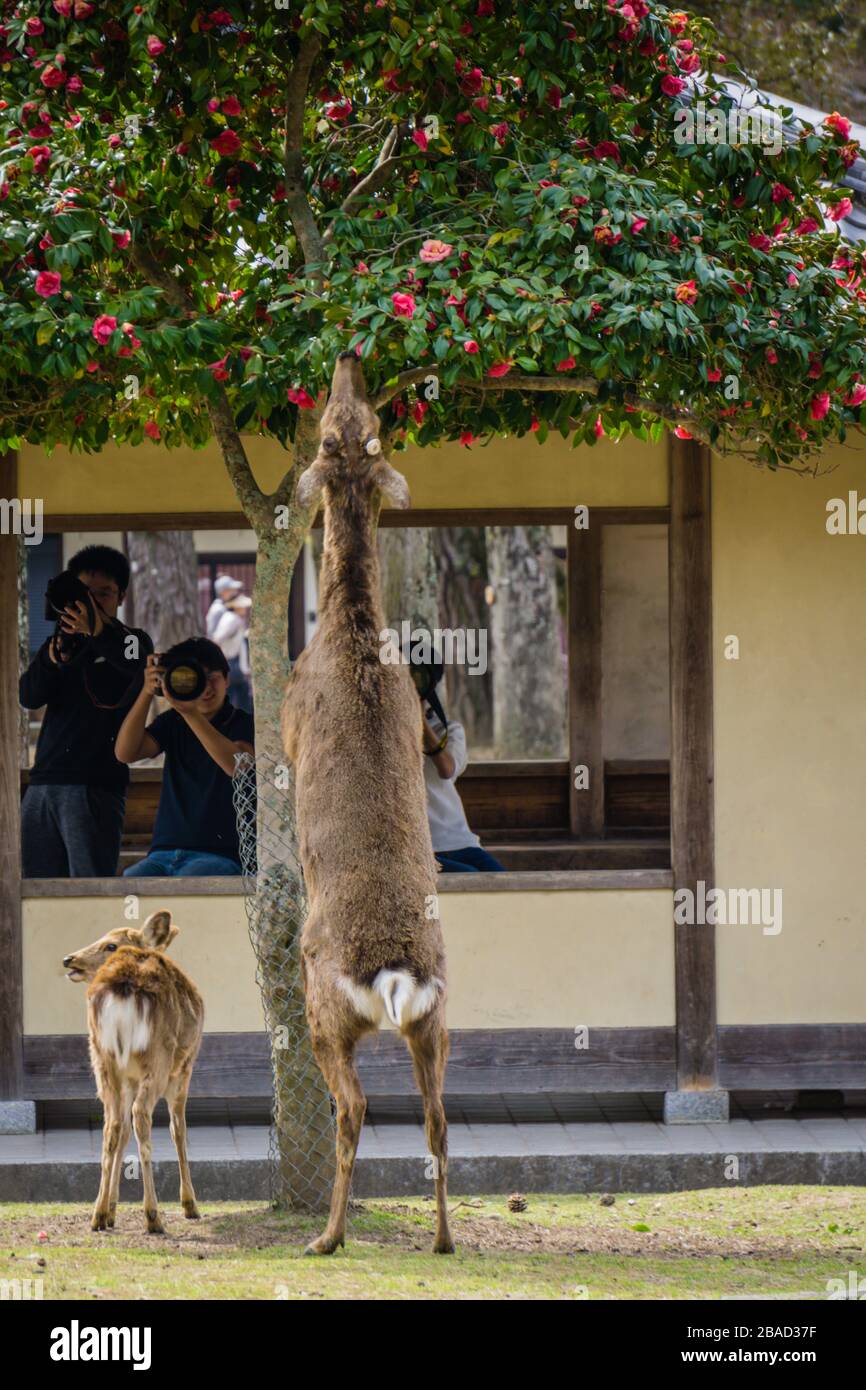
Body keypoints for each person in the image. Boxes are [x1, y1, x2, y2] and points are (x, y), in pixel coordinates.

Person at [19, 544, 153, 878]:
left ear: (121, 596)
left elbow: (134, 661)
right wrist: (53, 659)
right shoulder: (61, 643)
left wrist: (96, 631)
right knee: (37, 890)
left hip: (95, 783)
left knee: (91, 886)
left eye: (104, 593)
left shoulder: (132, 640)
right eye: (86, 593)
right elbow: (29, 696)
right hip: (43, 782)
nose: (93, 602)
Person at [115, 638, 254, 876]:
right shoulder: (173, 723)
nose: (207, 687)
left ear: (227, 679)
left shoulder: (243, 723)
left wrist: (189, 712)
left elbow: (237, 765)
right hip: (163, 853)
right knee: (131, 882)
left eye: (213, 677)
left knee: (190, 882)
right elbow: (125, 753)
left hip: (221, 855)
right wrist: (147, 691)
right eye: (195, 679)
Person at [416, 664, 505, 874]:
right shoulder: (387, 736)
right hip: (421, 848)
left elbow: (446, 769)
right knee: (470, 878)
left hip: (460, 839)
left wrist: (420, 722)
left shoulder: (450, 730)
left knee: (503, 882)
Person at [213, 591, 252, 714]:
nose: (245, 609)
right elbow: (217, 638)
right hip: (231, 662)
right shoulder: (232, 620)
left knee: (237, 694)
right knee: (238, 695)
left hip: (231, 662)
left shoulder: (233, 618)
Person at [205, 574, 243, 639]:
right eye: (231, 590)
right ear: (223, 592)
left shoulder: (223, 607)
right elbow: (214, 637)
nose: (235, 592)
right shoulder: (218, 609)